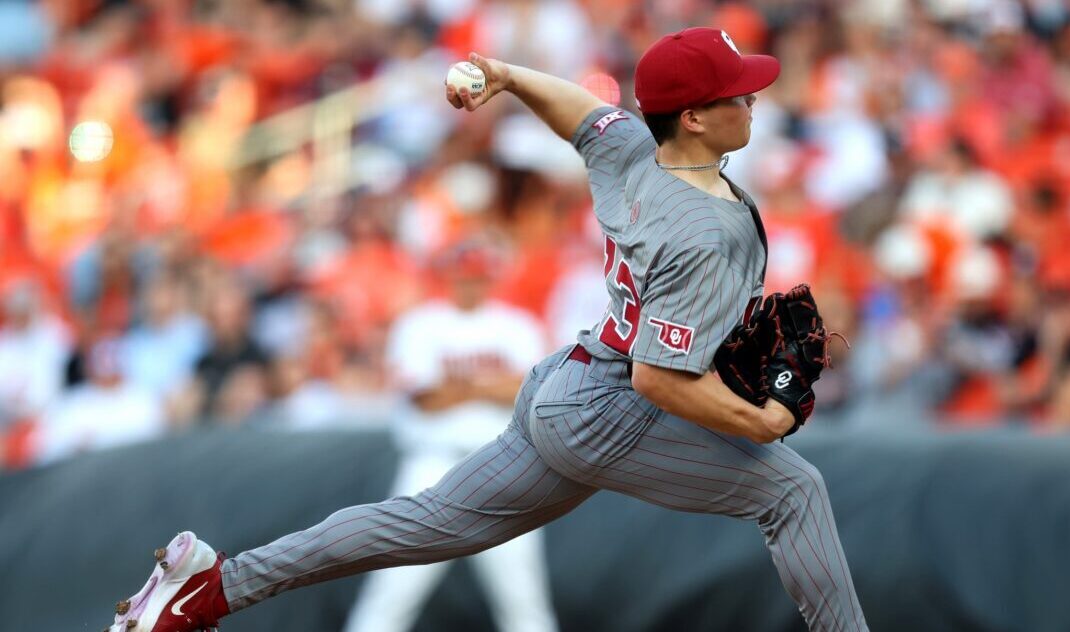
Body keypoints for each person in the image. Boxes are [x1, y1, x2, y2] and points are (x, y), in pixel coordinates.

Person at [106, 27, 868, 632]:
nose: (753, 100)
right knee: (793, 491)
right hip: (615, 408)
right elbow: (660, 378)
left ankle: (210, 587)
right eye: (738, 94)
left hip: (572, 383)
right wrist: (759, 422)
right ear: (694, 117)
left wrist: (504, 74)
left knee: (423, 523)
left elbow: (580, 112)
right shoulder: (700, 231)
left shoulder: (634, 149)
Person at [342, 240, 559, 632]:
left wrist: (460, 385)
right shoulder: (420, 324)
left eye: (477, 276)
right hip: (433, 466)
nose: (469, 284)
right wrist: (491, 384)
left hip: (501, 468)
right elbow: (426, 398)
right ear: (448, 277)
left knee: (523, 598)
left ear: (490, 278)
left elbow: (527, 391)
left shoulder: (517, 325)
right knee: (393, 590)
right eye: (463, 276)